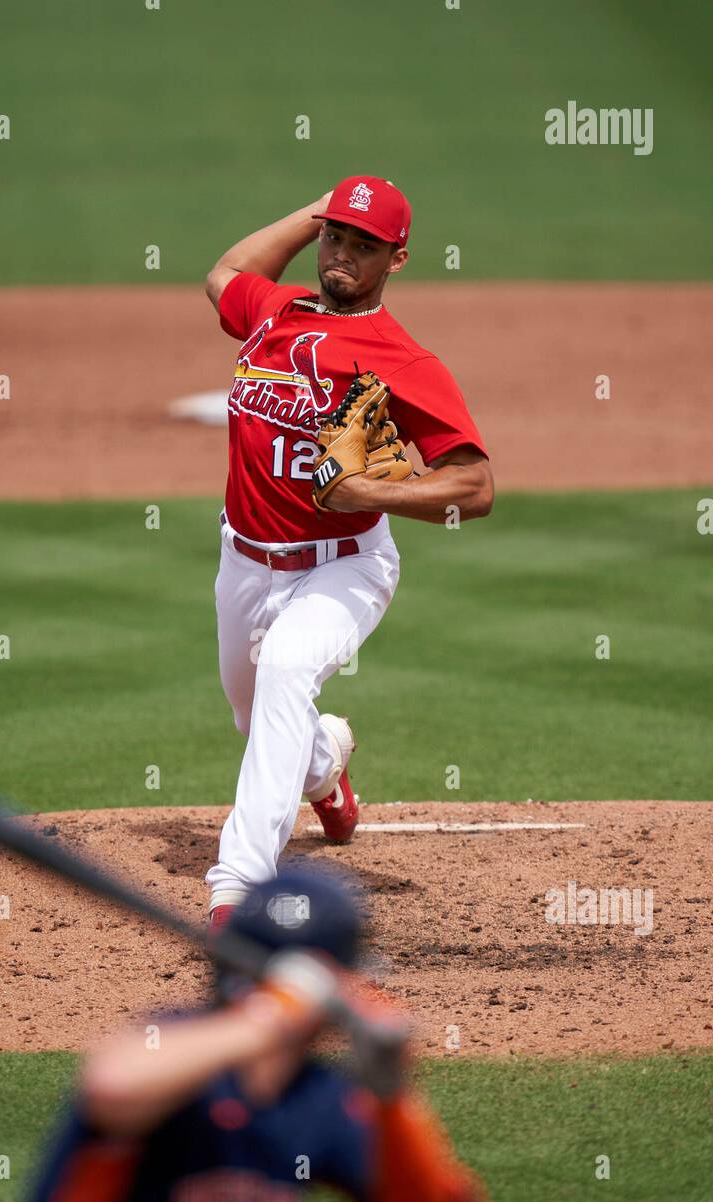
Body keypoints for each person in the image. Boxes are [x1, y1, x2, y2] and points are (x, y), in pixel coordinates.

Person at [204, 176, 493, 930]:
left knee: (288, 671)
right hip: (244, 560)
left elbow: (476, 484)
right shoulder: (277, 311)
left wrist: (372, 495)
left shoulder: (401, 360)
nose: (342, 255)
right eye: (336, 236)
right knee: (259, 715)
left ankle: (236, 892)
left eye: (364, 246)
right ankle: (325, 764)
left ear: (396, 259)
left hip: (344, 563)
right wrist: (319, 212)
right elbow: (226, 276)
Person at [5, 869, 488, 1202]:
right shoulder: (174, 1045)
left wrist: (392, 1097)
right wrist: (274, 1014)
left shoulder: (315, 1097)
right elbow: (111, 1087)